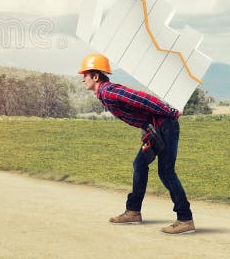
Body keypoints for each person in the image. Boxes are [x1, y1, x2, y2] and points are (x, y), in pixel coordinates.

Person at [79, 53, 195, 234]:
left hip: (165, 125)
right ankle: (133, 212)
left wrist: (170, 112)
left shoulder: (109, 92)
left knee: (166, 172)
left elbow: (142, 99)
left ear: (95, 77)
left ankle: (185, 219)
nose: (82, 79)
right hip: (155, 129)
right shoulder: (104, 94)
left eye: (85, 75)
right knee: (139, 164)